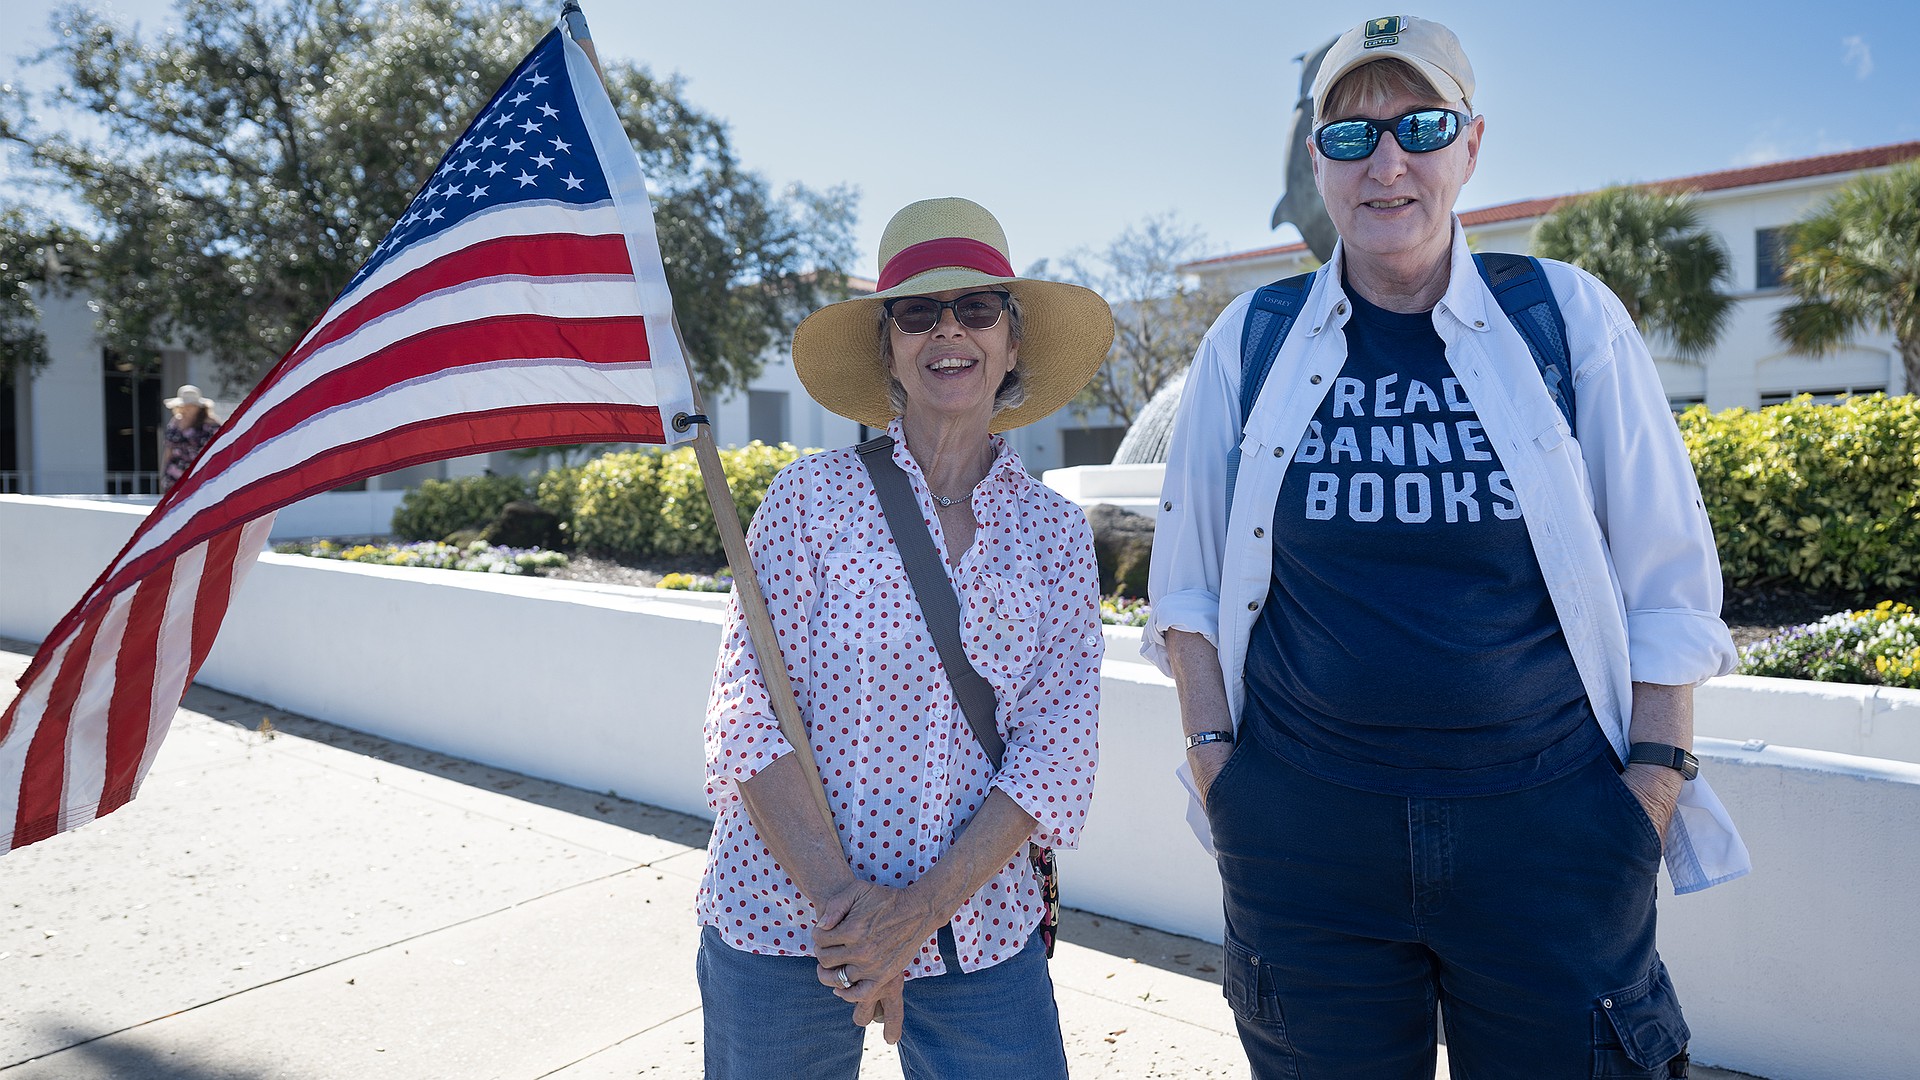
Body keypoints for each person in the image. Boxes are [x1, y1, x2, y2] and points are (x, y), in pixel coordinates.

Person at [1145, 16, 1749, 1079]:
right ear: (1318, 162)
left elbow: (1668, 582)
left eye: (1420, 127)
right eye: (1351, 135)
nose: (1387, 163)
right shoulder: (1250, 338)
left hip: (1550, 839)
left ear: (1471, 145)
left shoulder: (1567, 318)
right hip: (1304, 844)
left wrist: (1649, 794)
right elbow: (1187, 586)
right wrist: (1219, 774)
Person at [697, 197, 1114, 1077]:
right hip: (788, 923)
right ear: (888, 347)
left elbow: (1057, 748)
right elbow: (746, 714)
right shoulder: (808, 502)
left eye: (977, 308)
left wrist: (912, 918)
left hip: (977, 931)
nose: (948, 331)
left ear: (1012, 341)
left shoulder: (1055, 534)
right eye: (918, 313)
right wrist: (854, 921)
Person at [160, 385, 222, 493]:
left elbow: (220, 448)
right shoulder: (175, 422)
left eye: (191, 406)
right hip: (175, 476)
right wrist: (163, 473)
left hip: (201, 475)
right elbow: (168, 450)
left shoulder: (211, 425)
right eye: (184, 405)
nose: (186, 409)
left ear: (199, 407)